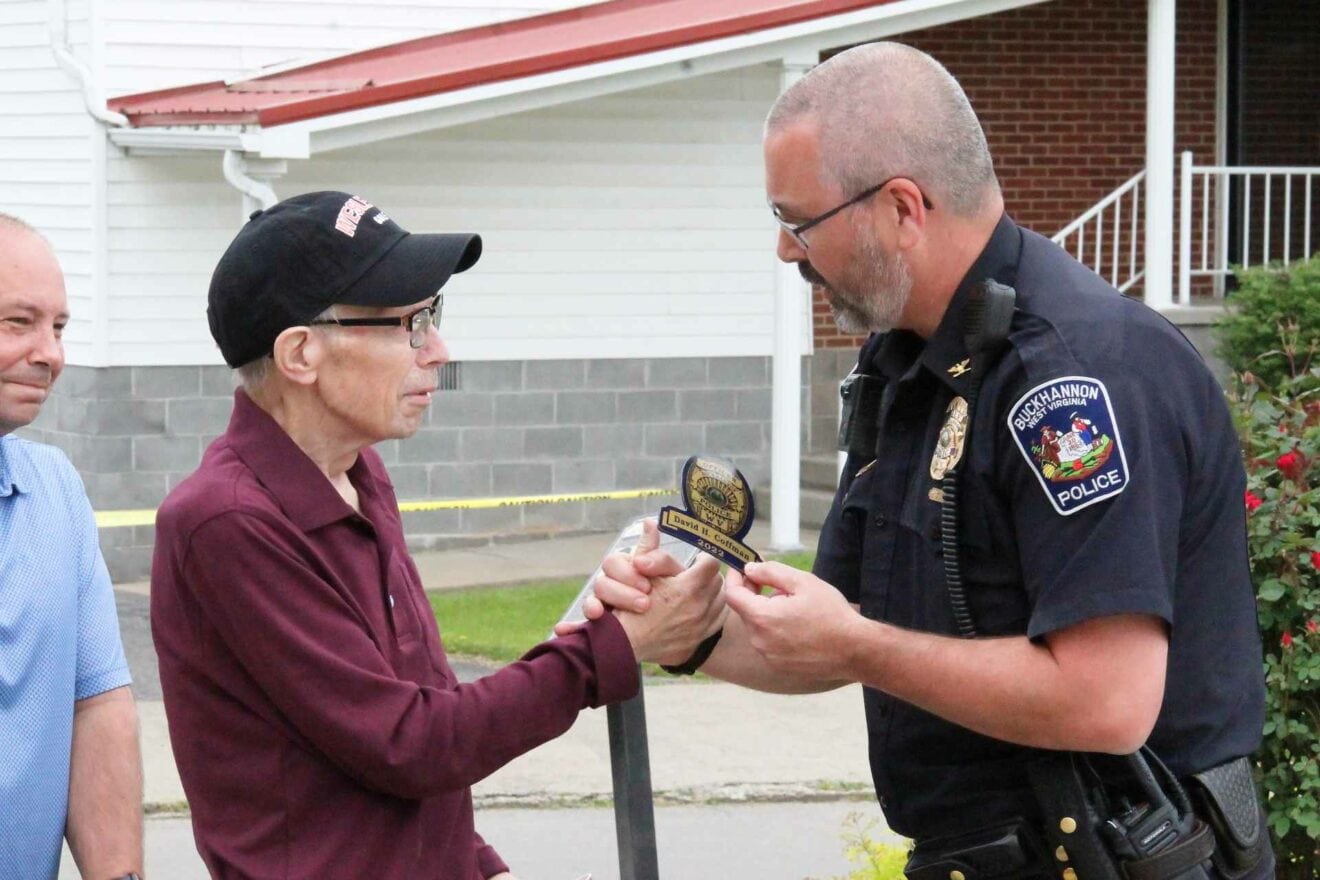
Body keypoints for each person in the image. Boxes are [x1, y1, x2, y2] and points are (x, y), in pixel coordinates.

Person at [576, 43, 1273, 880]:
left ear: (903, 207)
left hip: (1126, 858)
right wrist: (682, 625)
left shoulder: (1072, 382)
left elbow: (1109, 702)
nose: (788, 255)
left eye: (799, 224)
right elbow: (838, 631)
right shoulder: (907, 365)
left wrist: (858, 647)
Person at [150, 191, 725, 880]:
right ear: (301, 353)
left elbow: (426, 707)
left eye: (434, 317)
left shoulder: (359, 475)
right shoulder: (227, 522)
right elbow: (408, 743)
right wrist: (613, 648)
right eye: (410, 324)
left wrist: (476, 863)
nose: (439, 351)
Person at [0, 214, 143, 880]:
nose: (50, 354)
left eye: (58, 327)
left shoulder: (55, 492)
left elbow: (98, 705)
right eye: (17, 323)